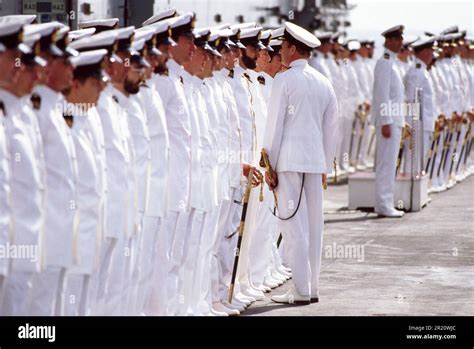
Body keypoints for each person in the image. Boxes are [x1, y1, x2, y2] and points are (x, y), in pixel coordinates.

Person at [263, 22, 339, 304]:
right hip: (314, 162)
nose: (280, 52)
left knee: (293, 226)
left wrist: (268, 164)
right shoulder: (324, 81)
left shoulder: (283, 80)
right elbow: (332, 127)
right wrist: (325, 166)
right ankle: (312, 287)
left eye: (282, 47)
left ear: (293, 48)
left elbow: (274, 126)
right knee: (314, 226)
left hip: (288, 162)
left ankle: (301, 289)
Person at [372, 25, 406, 218]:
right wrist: (385, 121)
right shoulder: (385, 63)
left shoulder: (393, 62)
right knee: (386, 164)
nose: (401, 42)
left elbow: (395, 96)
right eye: (398, 38)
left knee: (390, 163)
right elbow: (382, 94)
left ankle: (386, 203)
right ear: (389, 41)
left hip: (394, 120)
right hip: (389, 122)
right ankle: (384, 204)